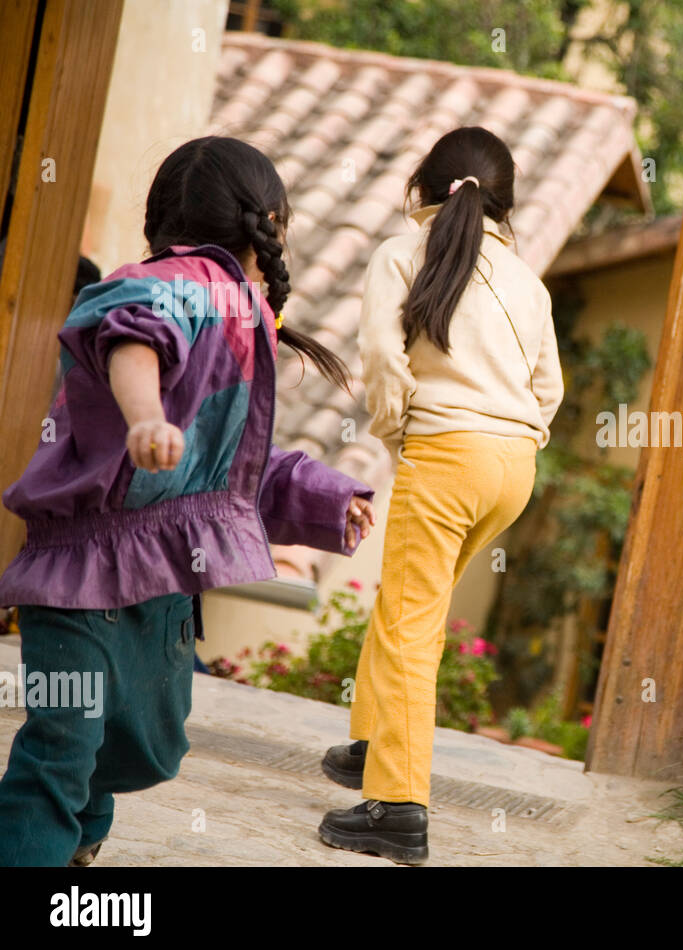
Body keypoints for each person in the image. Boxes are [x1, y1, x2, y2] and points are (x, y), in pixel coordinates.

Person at [0, 136, 376, 866]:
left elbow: (243, 470)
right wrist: (144, 417)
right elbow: (134, 342)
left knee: (147, 746)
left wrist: (328, 499)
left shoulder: (242, 316)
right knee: (62, 744)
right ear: (269, 220)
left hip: (163, 580)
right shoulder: (172, 284)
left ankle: (70, 832)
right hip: (78, 575)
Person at [318, 126, 563, 865]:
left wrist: (403, 439)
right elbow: (548, 389)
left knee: (408, 627)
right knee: (408, 608)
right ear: (504, 203)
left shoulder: (401, 254)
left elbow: (380, 364)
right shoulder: (528, 280)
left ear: (422, 188)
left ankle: (398, 807)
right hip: (512, 469)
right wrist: (508, 440)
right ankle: (373, 744)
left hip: (447, 456)